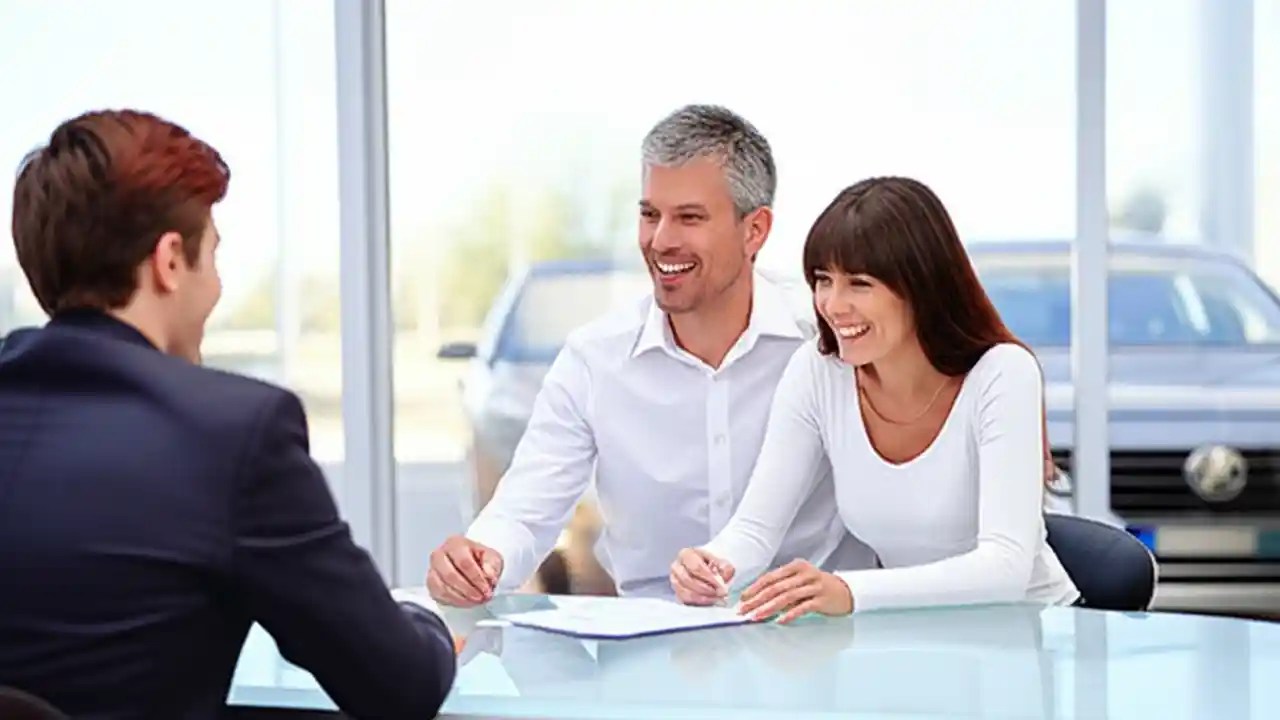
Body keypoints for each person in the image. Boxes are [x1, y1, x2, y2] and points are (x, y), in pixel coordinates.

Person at [0, 110, 456, 719]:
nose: (215, 286)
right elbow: (401, 685)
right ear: (168, 261)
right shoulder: (231, 433)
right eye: (211, 256)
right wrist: (428, 621)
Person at [427, 104, 874, 606]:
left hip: (818, 641)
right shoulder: (595, 360)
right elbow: (525, 510)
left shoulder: (832, 340)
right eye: (649, 214)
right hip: (653, 644)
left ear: (755, 231)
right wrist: (478, 561)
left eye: (689, 218)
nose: (661, 240)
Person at [670, 176, 1081, 621]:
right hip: (912, 637)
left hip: (1030, 635)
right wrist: (711, 566)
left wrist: (849, 589)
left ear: (922, 287)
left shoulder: (1002, 373)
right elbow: (754, 530)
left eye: (860, 284)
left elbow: (1006, 568)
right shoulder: (818, 371)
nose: (833, 304)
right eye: (823, 280)